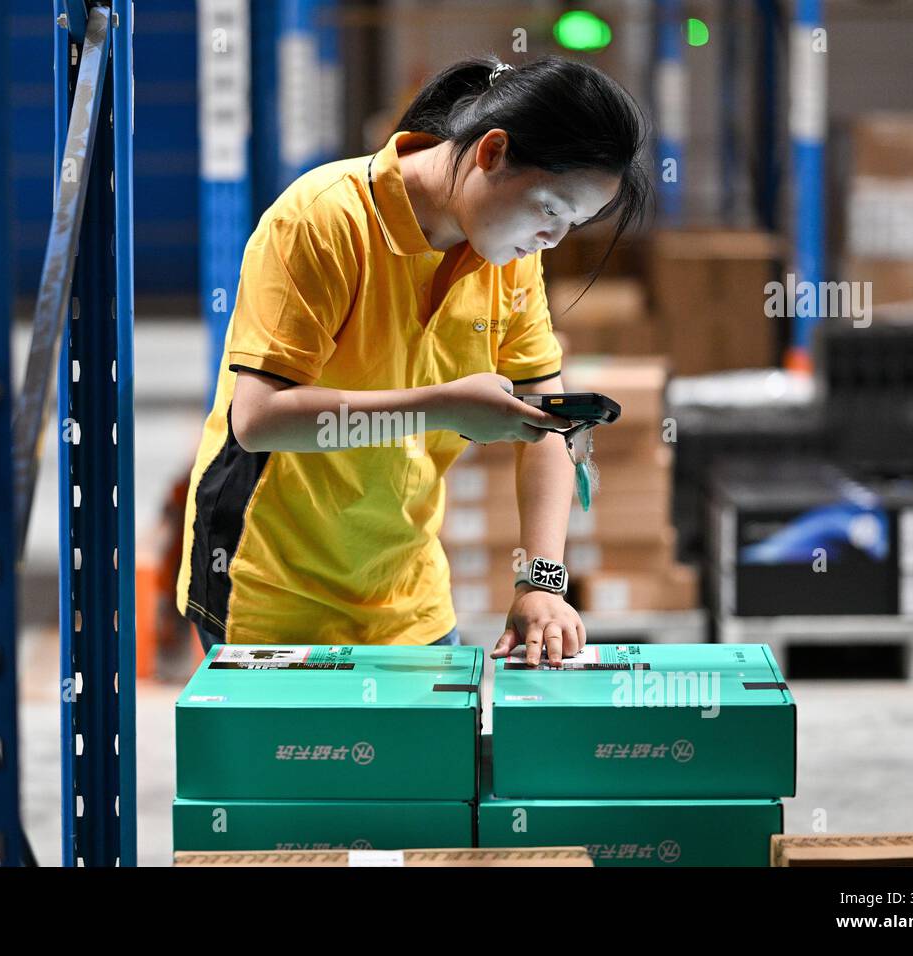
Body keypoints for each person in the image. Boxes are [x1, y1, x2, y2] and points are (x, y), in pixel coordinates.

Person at [177, 54, 650, 666]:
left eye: (572, 224)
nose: (552, 239)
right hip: (269, 592)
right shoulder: (322, 221)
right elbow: (260, 419)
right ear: (492, 151)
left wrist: (543, 580)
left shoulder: (510, 260)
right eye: (551, 208)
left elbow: (548, 428)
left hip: (408, 595)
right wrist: (442, 408)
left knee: (428, 766)